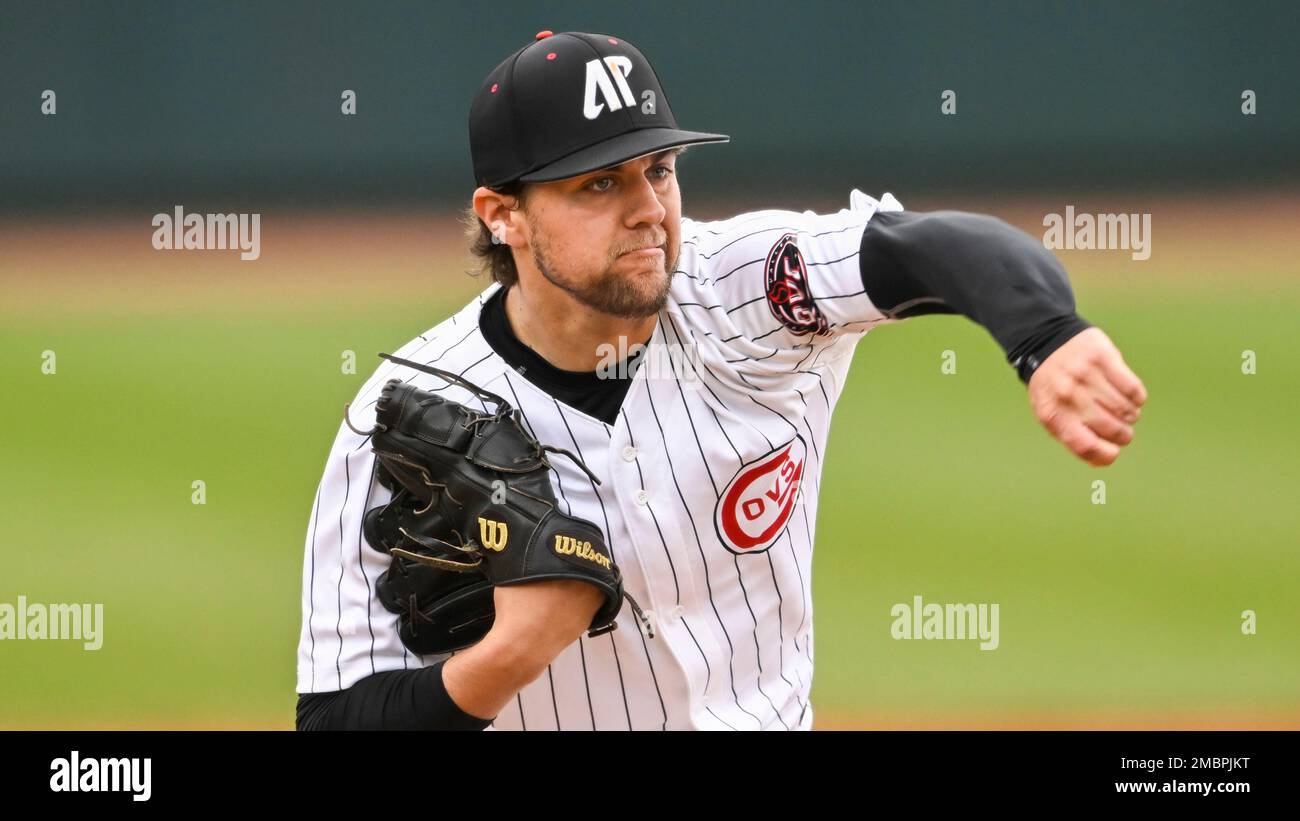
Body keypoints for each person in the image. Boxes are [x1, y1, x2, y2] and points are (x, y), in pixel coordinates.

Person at [295, 30, 1147, 731]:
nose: (647, 208)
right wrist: (508, 656)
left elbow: (927, 247)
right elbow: (329, 718)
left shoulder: (746, 288)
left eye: (657, 170)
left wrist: (1045, 335)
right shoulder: (402, 413)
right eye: (599, 183)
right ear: (503, 214)